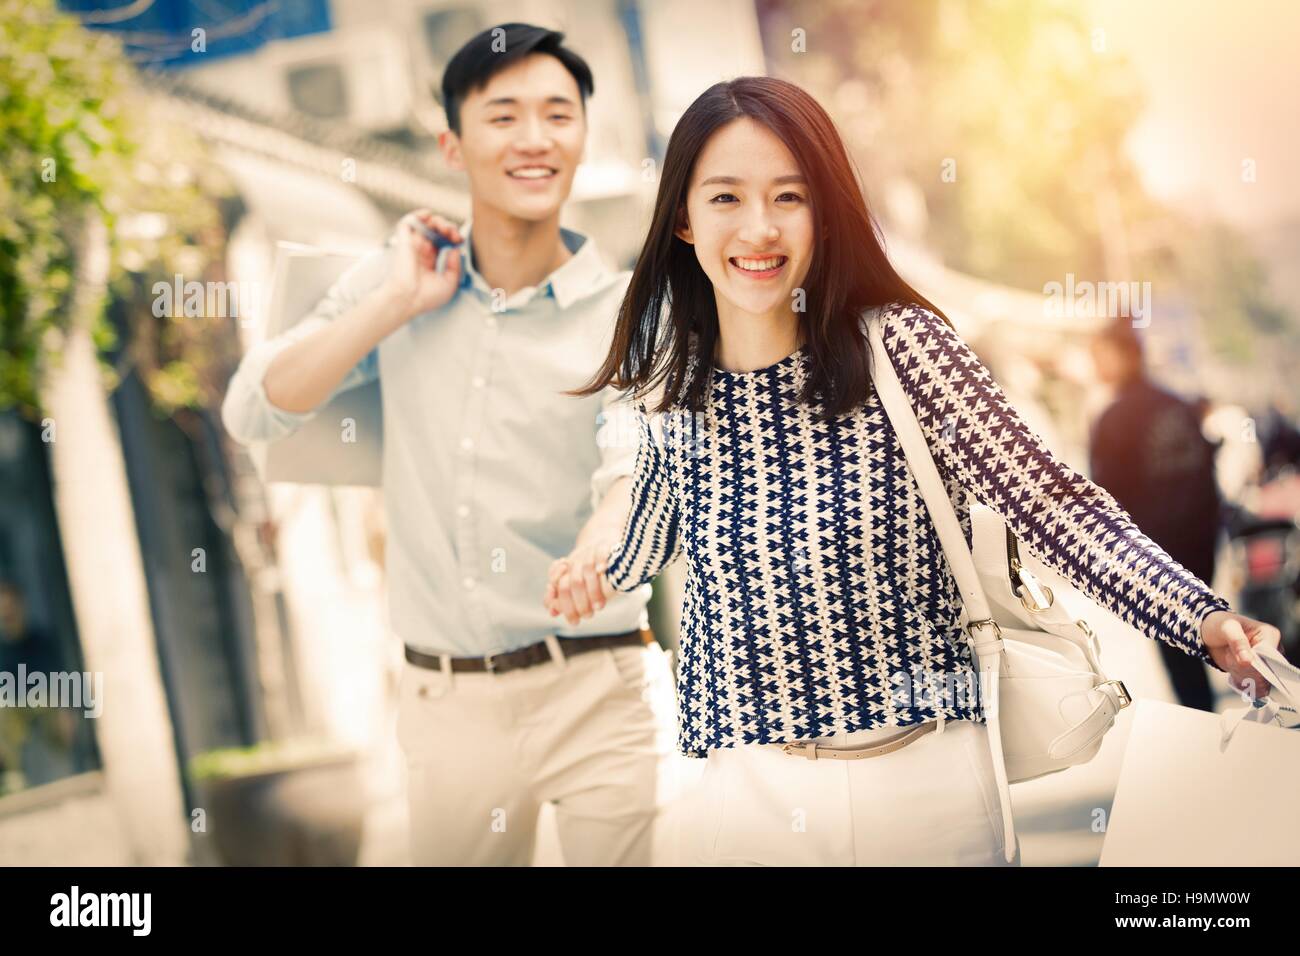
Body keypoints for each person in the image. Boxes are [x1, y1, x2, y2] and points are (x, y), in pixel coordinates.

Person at [544, 75, 1283, 867]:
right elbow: (641, 523)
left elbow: (1050, 505)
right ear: (684, 220)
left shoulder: (900, 350)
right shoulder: (673, 385)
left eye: (788, 197)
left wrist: (1198, 617)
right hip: (750, 802)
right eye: (726, 198)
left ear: (824, 214)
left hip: (928, 791)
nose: (759, 229)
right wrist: (594, 558)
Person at [222, 23, 674, 866]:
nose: (534, 139)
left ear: (585, 135)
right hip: (449, 702)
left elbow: (635, 464)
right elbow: (254, 410)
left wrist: (598, 549)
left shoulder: (627, 313)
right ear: (452, 145)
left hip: (600, 686)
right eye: (503, 116)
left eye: (557, 114)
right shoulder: (393, 280)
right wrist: (394, 303)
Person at [1088, 320, 1225, 712]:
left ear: (1128, 355)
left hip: (1157, 556)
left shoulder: (1115, 418)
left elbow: (1102, 499)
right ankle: (1210, 718)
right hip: (1200, 542)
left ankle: (1204, 725)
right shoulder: (1176, 404)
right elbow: (1207, 475)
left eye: (1100, 355)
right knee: (1201, 635)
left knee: (1178, 649)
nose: (1095, 364)